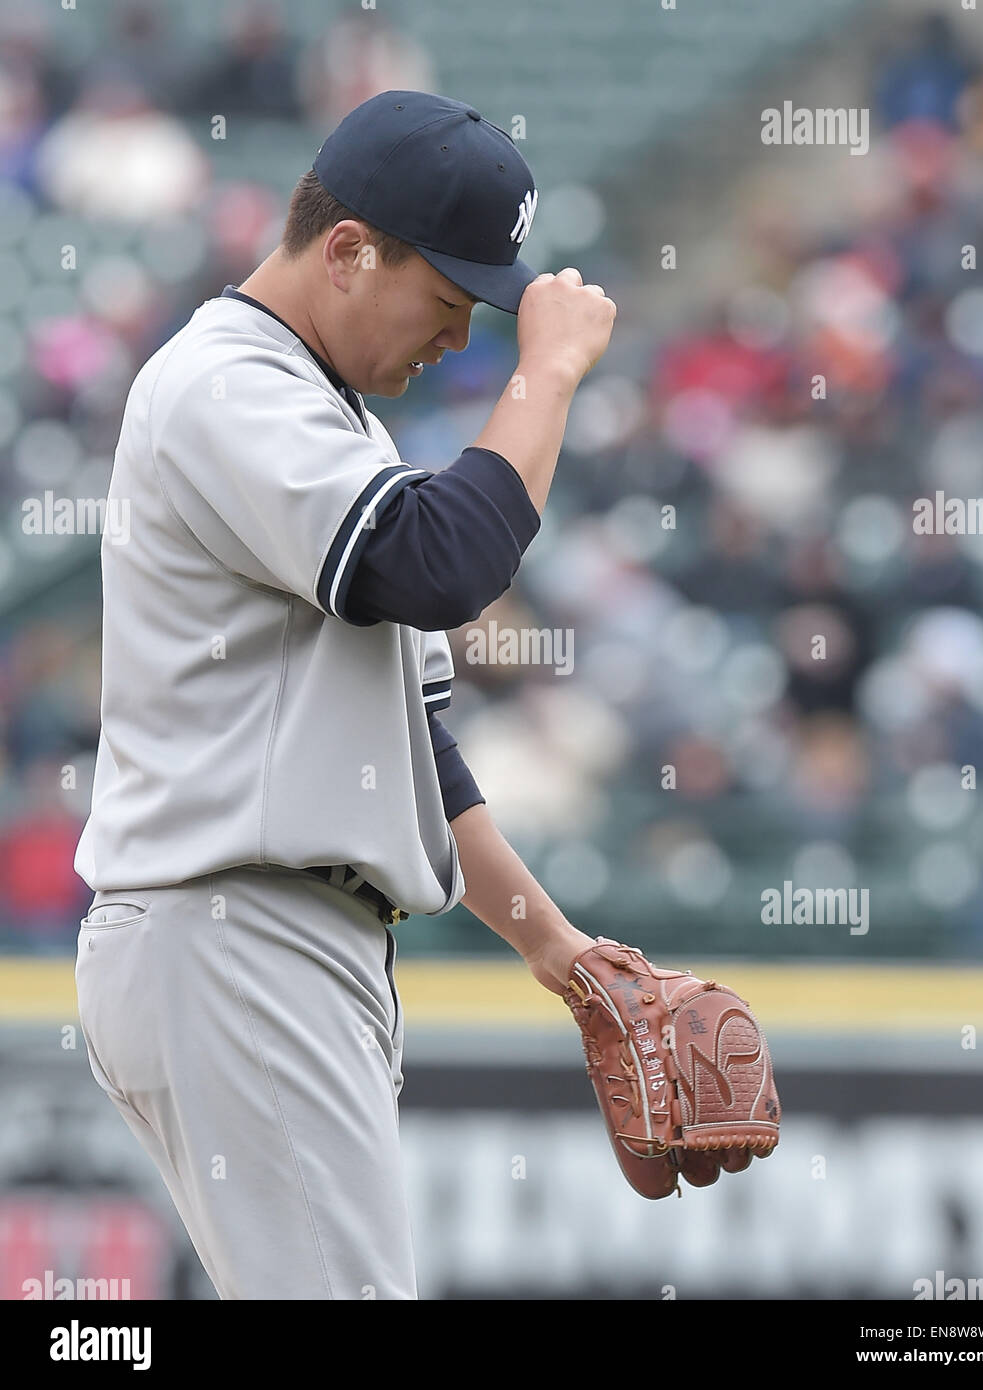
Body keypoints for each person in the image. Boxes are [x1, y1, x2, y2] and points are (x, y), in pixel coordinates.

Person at [72, 89, 624, 1301]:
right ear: (346, 249)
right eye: (448, 299)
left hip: (280, 937)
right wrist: (550, 375)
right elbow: (436, 564)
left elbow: (418, 752)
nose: (461, 341)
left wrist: (559, 950)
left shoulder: (334, 423)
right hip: (236, 930)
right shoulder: (223, 381)